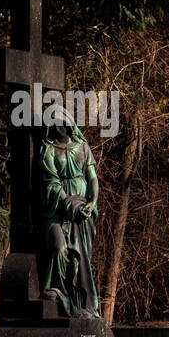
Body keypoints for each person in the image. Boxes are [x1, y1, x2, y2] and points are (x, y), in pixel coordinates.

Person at [38, 108, 101, 318]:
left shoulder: (82, 147)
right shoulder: (48, 151)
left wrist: (92, 202)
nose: (58, 127)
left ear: (69, 124)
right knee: (59, 247)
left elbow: (92, 177)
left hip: (83, 213)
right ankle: (55, 289)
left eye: (61, 123)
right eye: (54, 124)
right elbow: (51, 184)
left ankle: (81, 300)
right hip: (58, 212)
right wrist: (68, 204)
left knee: (81, 259)